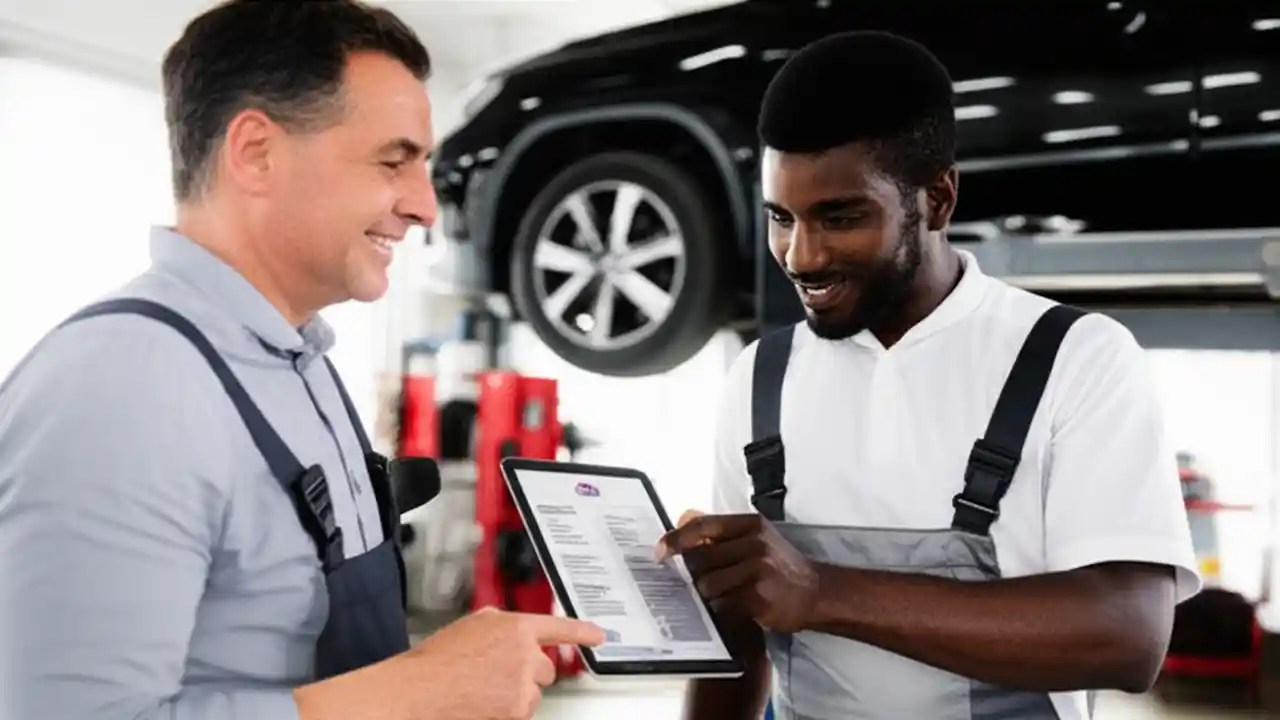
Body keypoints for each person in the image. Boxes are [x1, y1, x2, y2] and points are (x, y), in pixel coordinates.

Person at [0, 2, 602, 719]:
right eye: (394, 161)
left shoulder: (298, 362)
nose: (424, 207)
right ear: (256, 152)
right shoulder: (125, 389)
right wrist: (417, 691)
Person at [656, 31, 1200, 720]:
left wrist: (820, 592)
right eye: (781, 218)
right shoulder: (761, 376)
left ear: (938, 200)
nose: (800, 256)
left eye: (840, 217)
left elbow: (1128, 635)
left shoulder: (1075, 358)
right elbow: (738, 634)